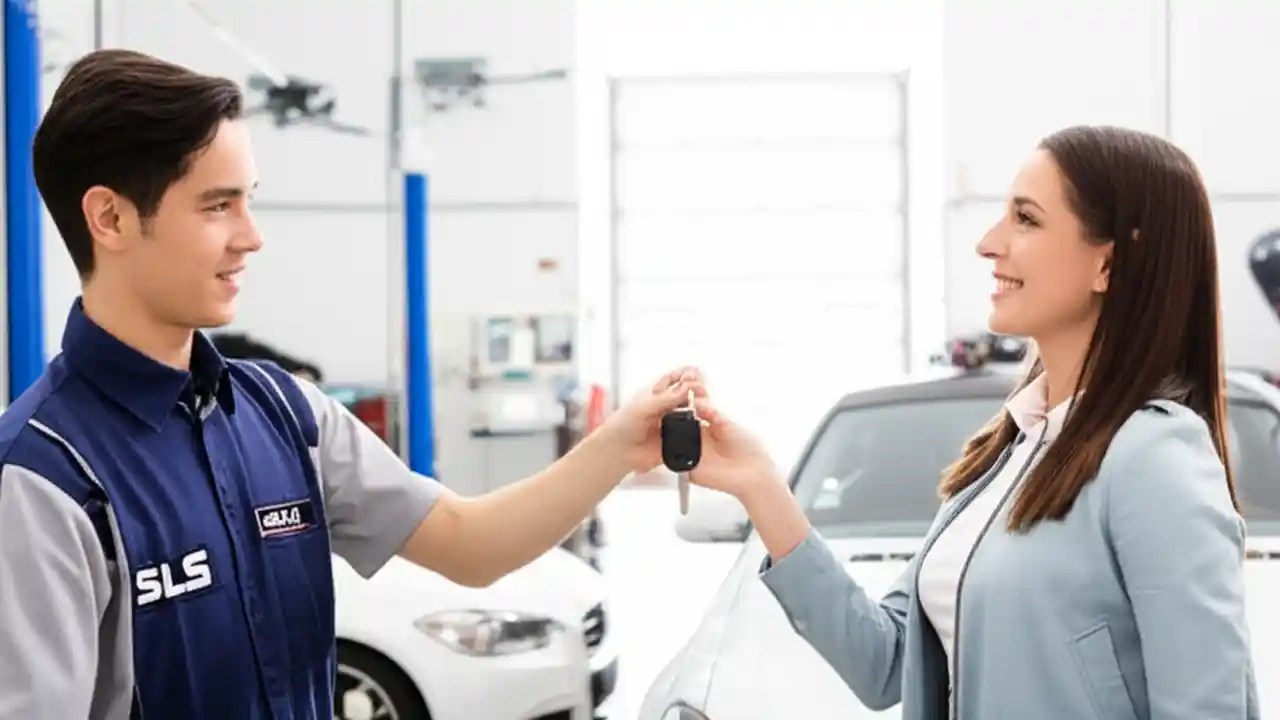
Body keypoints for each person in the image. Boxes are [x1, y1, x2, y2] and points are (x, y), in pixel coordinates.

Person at [0, 49, 703, 719]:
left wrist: (618, 446)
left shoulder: (285, 414)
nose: (252, 236)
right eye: (217, 206)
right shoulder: (40, 480)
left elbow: (471, 543)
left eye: (250, 201)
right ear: (111, 217)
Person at [685, 125, 1260, 718]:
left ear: (1108, 264)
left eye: (1026, 219)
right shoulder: (1013, 450)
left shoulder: (1154, 456)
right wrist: (760, 484)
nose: (989, 243)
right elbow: (884, 663)